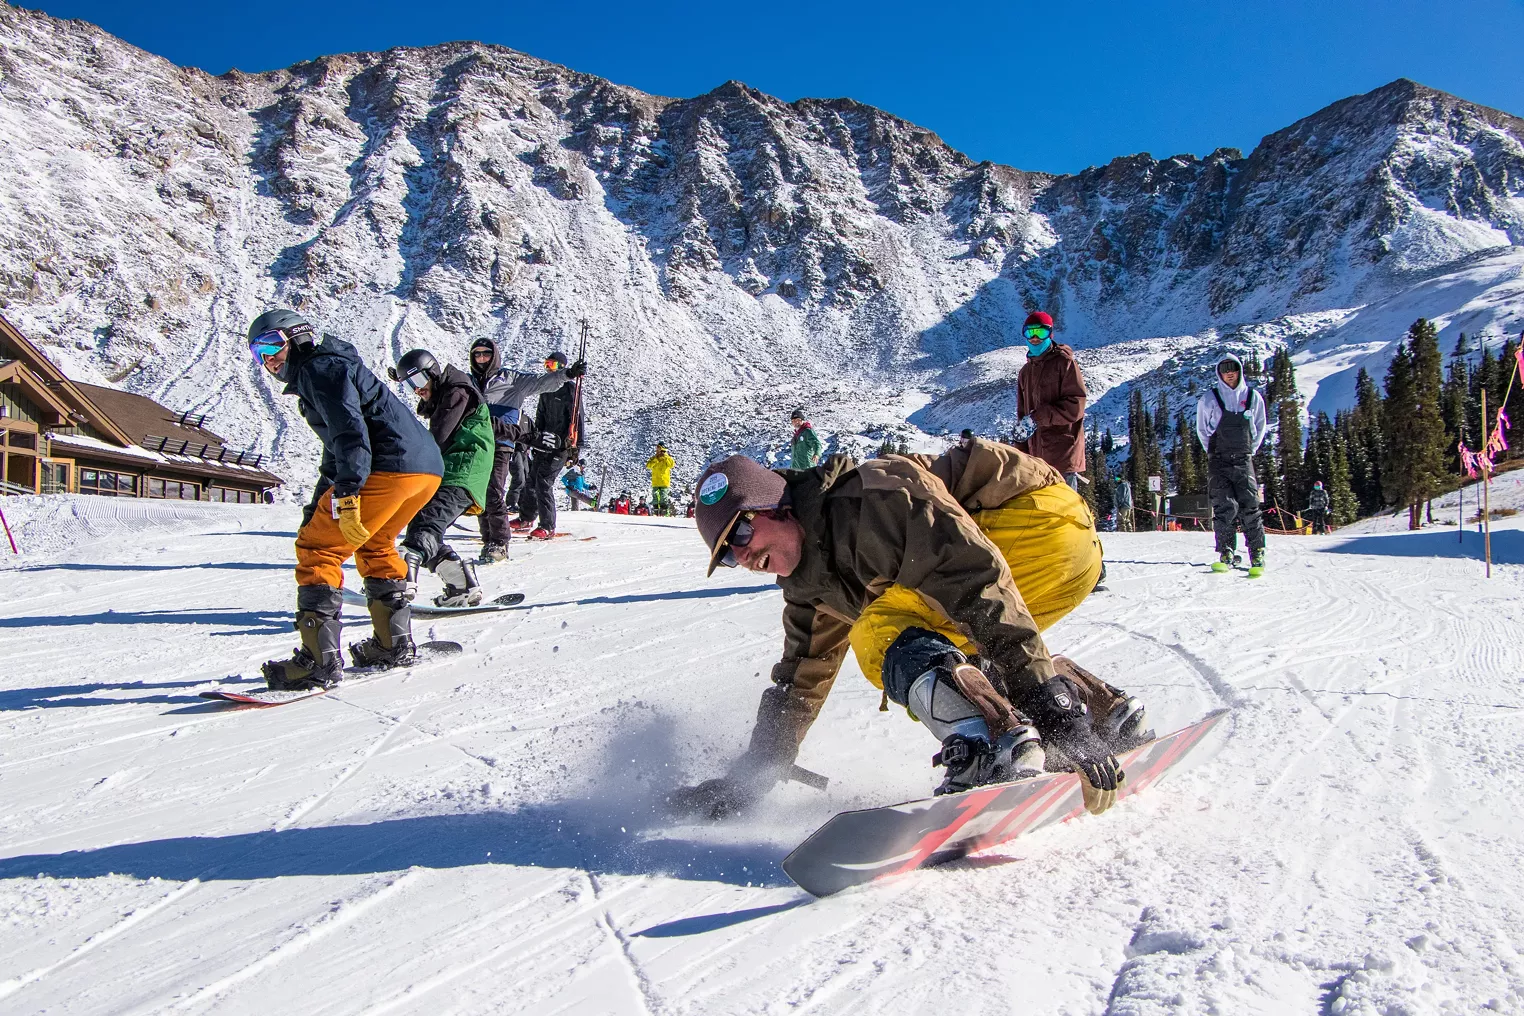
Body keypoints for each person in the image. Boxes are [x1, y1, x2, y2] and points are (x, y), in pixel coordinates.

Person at [670, 440, 1151, 821]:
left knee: (878, 630)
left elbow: (975, 579)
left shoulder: (869, 500)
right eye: (728, 555)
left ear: (775, 505)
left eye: (742, 534)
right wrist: (752, 777)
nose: (744, 556)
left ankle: (991, 745)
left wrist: (1054, 712)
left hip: (1036, 518)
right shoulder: (809, 588)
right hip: (1058, 563)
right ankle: (1101, 711)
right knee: (944, 649)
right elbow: (799, 680)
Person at [246, 310, 442, 689]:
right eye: (258, 353)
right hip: (424, 470)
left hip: (388, 467)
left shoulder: (320, 369)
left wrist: (349, 492)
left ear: (297, 337)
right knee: (375, 545)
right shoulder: (328, 369)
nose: (267, 359)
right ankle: (393, 644)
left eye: (271, 345)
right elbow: (335, 452)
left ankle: (318, 663)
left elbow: (350, 435)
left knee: (319, 551)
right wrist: (320, 503)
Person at [391, 349, 500, 607]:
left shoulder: (456, 391)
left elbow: (436, 439)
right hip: (455, 472)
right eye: (408, 385)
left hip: (461, 472)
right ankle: (462, 585)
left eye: (417, 381)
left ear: (433, 372)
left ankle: (398, 582)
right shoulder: (450, 392)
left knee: (425, 525)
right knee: (426, 524)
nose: (415, 390)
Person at [467, 338, 579, 561]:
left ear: (494, 355)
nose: (481, 359)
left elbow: (541, 382)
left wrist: (566, 375)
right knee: (479, 491)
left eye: (486, 354)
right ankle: (491, 532)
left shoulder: (512, 379)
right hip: (476, 442)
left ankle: (500, 541)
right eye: (477, 355)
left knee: (496, 490)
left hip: (504, 442)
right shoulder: (469, 382)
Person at [1196, 353, 1269, 571]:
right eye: (1225, 369)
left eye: (1233, 368)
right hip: (1218, 461)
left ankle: (1257, 552)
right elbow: (1202, 430)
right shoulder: (1210, 398)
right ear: (1219, 373)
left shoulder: (1253, 397)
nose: (1229, 373)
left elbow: (1260, 426)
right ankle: (1226, 551)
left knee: (1250, 506)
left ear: (1239, 370)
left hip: (1244, 460)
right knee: (1224, 505)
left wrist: (1249, 451)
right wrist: (1213, 452)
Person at [513, 349, 587, 540]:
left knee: (544, 482)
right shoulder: (546, 390)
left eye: (552, 365)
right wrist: (535, 438)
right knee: (532, 479)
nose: (548, 368)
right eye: (546, 364)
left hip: (562, 446)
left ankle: (547, 526)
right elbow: (541, 415)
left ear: (562, 367)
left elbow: (578, 418)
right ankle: (526, 517)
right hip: (544, 442)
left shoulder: (571, 390)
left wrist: (575, 447)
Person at [1013, 311, 1088, 490]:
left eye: (1041, 332)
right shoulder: (1025, 372)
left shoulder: (1064, 363)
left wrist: (1040, 417)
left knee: (1063, 514)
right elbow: (1023, 417)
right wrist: (1021, 454)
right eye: (1030, 333)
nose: (1035, 338)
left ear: (1051, 334)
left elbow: (1075, 405)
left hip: (1062, 457)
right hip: (1036, 462)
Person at [646, 443, 676, 515]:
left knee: (663, 497)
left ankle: (664, 512)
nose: (659, 451)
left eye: (660, 450)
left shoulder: (668, 458)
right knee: (655, 497)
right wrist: (656, 459)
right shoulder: (654, 458)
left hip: (664, 482)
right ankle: (656, 512)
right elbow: (648, 466)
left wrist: (665, 457)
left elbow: (671, 465)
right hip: (655, 482)